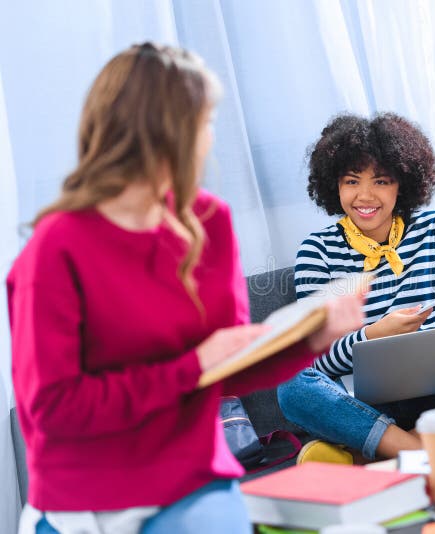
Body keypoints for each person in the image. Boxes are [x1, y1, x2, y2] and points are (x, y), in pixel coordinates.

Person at [10, 43, 364, 534]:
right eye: (203, 123)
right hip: (87, 497)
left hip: (188, 478)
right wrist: (192, 365)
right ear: (162, 132)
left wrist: (312, 338)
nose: (208, 139)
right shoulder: (55, 250)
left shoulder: (208, 222)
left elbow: (230, 367)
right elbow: (55, 411)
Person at [276, 112, 435, 464]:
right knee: (291, 384)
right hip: (360, 403)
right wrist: (372, 336)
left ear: (403, 183)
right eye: (352, 181)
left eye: (381, 181)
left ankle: (368, 452)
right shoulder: (317, 251)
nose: (364, 195)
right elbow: (316, 360)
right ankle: (421, 451)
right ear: (333, 185)